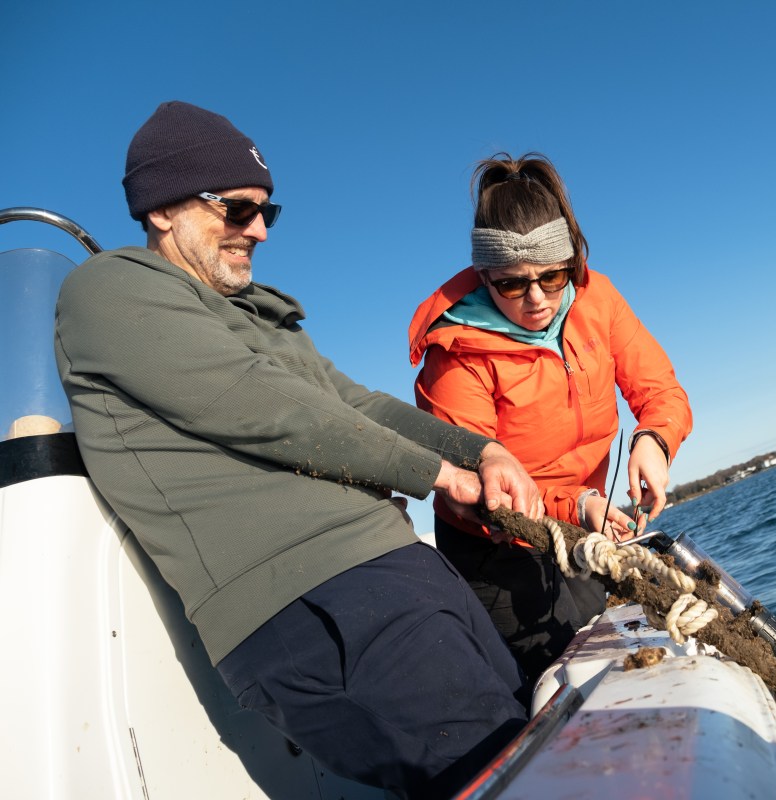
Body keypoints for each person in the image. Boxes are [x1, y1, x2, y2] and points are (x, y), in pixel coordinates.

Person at [54, 101, 541, 799]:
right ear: (162, 208)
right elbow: (259, 406)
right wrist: (439, 476)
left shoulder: (260, 315)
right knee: (507, 775)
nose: (257, 229)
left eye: (266, 213)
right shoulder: (106, 289)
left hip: (402, 572)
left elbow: (356, 404)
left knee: (530, 742)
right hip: (315, 602)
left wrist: (481, 451)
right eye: (237, 209)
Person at [408, 153, 693, 678]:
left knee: (617, 647)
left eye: (553, 276)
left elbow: (660, 390)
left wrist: (654, 438)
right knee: (557, 677)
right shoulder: (454, 354)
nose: (536, 298)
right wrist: (578, 503)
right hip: (497, 553)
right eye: (512, 284)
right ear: (483, 275)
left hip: (584, 524)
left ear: (571, 264)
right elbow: (484, 490)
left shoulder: (597, 299)